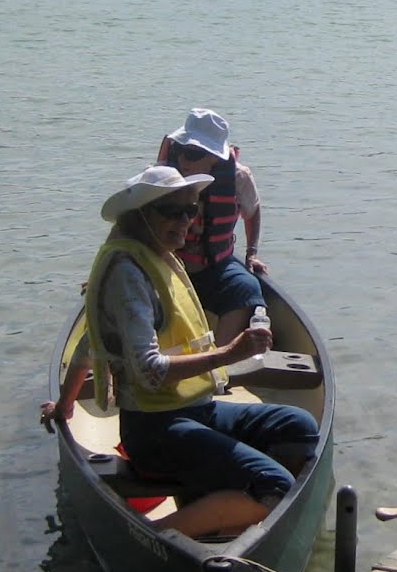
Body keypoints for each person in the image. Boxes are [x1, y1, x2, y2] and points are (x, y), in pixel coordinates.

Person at [41, 166, 320, 539]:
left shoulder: (158, 257)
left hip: (196, 410)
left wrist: (65, 406)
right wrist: (229, 353)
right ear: (140, 215)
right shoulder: (129, 275)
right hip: (156, 430)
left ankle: (232, 509)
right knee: (278, 484)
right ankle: (152, 535)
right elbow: (149, 371)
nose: (186, 220)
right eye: (171, 211)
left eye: (190, 210)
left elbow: (88, 347)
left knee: (299, 427)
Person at [156, 108, 266, 346]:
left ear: (214, 156)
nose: (184, 160)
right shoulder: (160, 177)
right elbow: (129, 222)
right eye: (181, 150)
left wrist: (252, 253)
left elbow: (253, 210)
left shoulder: (239, 177)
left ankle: (217, 360)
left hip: (216, 268)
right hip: (167, 264)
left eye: (194, 154)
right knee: (132, 288)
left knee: (248, 289)